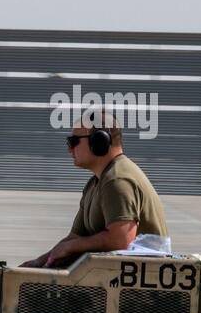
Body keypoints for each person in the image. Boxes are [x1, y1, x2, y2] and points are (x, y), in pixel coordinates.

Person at [22, 109, 168, 269]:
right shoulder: (96, 182)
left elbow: (121, 241)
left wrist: (71, 247)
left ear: (99, 142)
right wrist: (39, 262)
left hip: (142, 281)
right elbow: (75, 237)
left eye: (74, 141)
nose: (70, 149)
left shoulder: (118, 180)